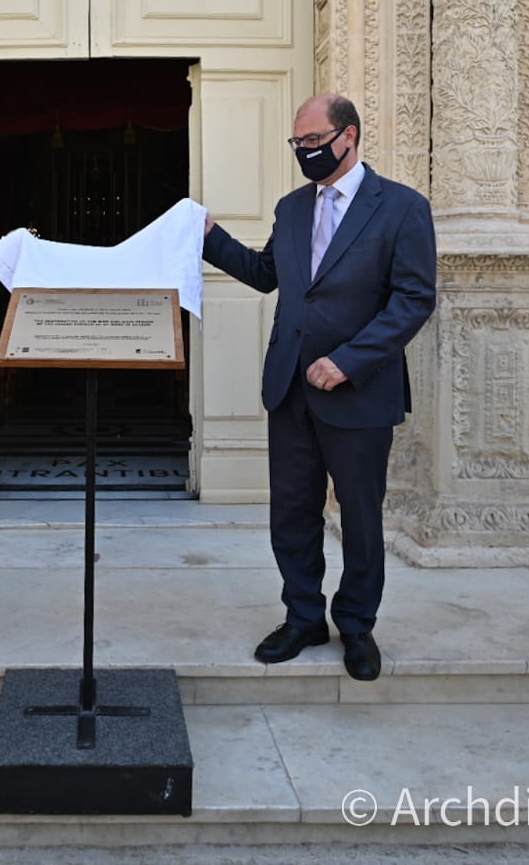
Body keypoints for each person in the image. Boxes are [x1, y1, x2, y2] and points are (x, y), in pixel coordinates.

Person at [202, 93, 436, 680]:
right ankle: (302, 616)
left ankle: (356, 625)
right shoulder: (292, 208)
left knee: (359, 518)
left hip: (358, 391)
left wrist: (349, 361)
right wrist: (209, 235)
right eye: (297, 144)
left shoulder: (403, 208)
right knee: (292, 513)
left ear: (349, 136)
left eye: (313, 142)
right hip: (291, 389)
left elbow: (413, 299)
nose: (304, 152)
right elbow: (266, 276)